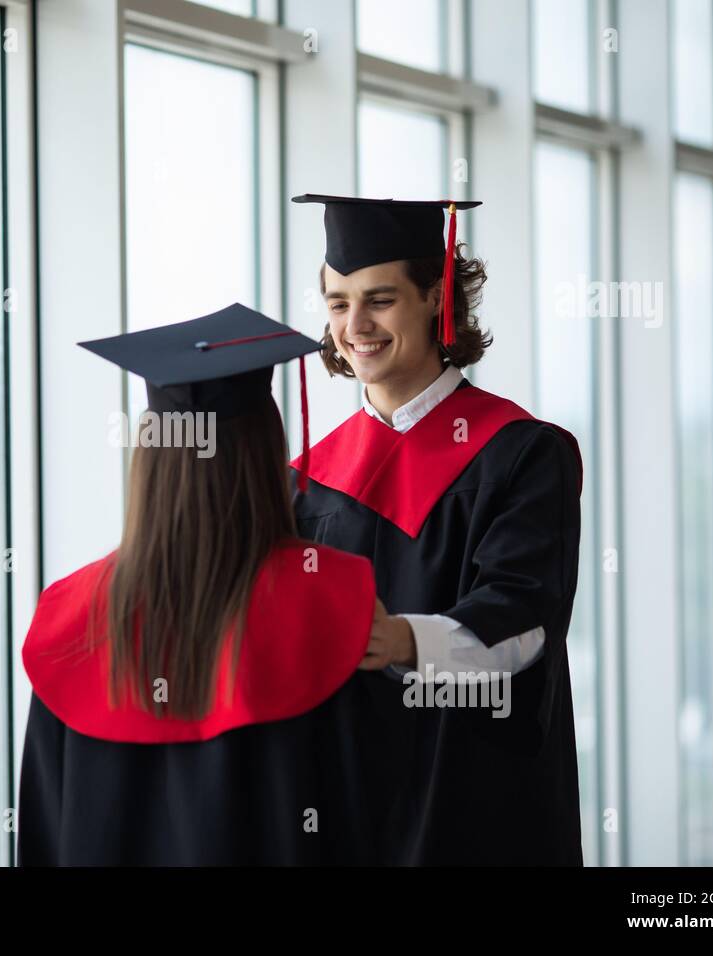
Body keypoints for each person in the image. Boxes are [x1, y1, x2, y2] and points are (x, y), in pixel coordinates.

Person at [17, 303, 392, 865]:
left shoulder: (71, 618)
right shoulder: (329, 601)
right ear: (266, 453)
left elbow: (45, 838)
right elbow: (368, 820)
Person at [289, 194, 585, 865]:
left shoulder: (523, 453)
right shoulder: (304, 482)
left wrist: (401, 640)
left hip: (479, 806)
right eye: (338, 303)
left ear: (436, 296)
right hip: (342, 806)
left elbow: (525, 626)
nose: (355, 324)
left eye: (380, 299)